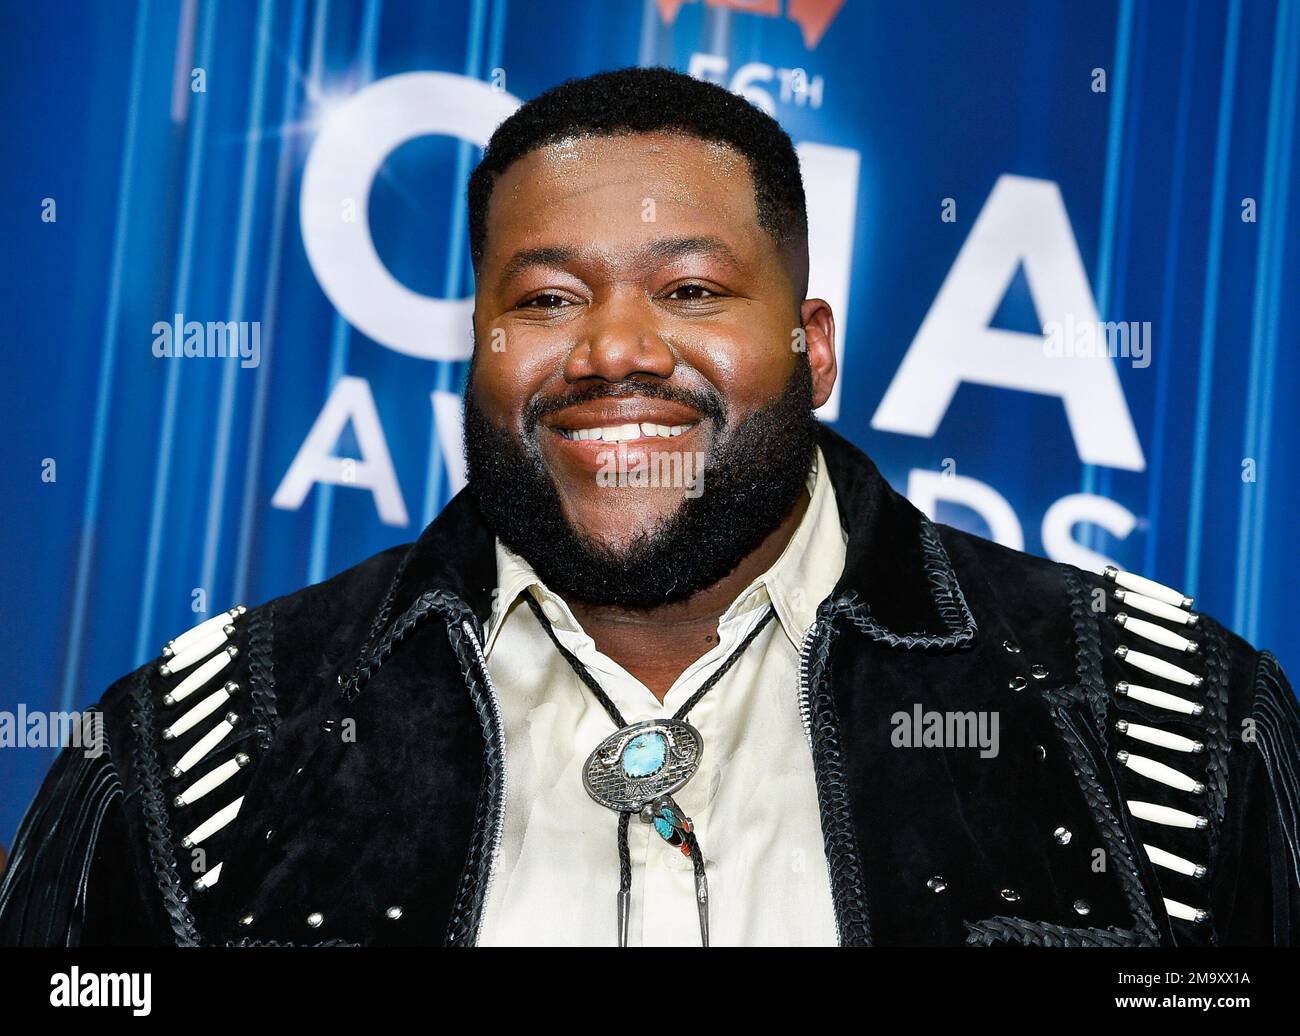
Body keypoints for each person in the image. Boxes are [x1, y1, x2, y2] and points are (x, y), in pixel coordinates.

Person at [2, 66, 1296, 947]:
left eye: (689, 289)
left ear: (815, 346)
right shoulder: (201, 747)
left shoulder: (1163, 724)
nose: (613, 350)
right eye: (547, 298)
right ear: (478, 345)